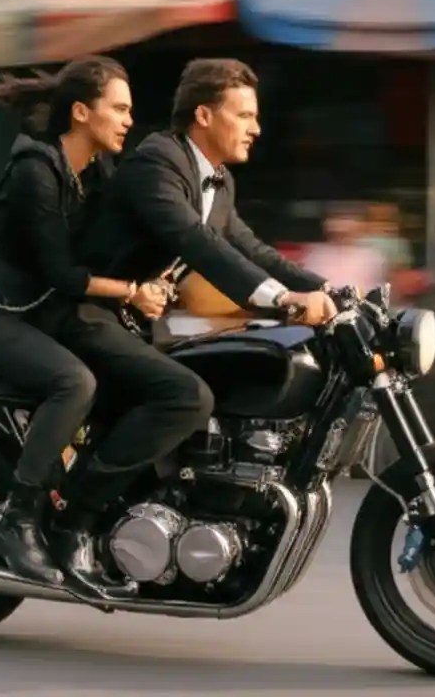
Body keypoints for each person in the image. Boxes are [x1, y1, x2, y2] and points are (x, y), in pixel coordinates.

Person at [60, 58, 336, 593]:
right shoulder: (156, 164)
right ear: (204, 115)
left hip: (133, 323)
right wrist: (283, 302)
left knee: (214, 373)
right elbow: (200, 246)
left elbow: (251, 249)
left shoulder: (218, 182)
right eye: (245, 115)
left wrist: (333, 291)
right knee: (187, 396)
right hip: (85, 313)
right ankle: (75, 519)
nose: (256, 127)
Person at [0, 56, 167, 595]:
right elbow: (63, 273)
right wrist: (131, 292)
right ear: (81, 112)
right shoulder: (37, 171)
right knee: (74, 382)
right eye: (119, 109)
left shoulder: (94, 171)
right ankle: (16, 517)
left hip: (48, 316)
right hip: (2, 317)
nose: (129, 120)